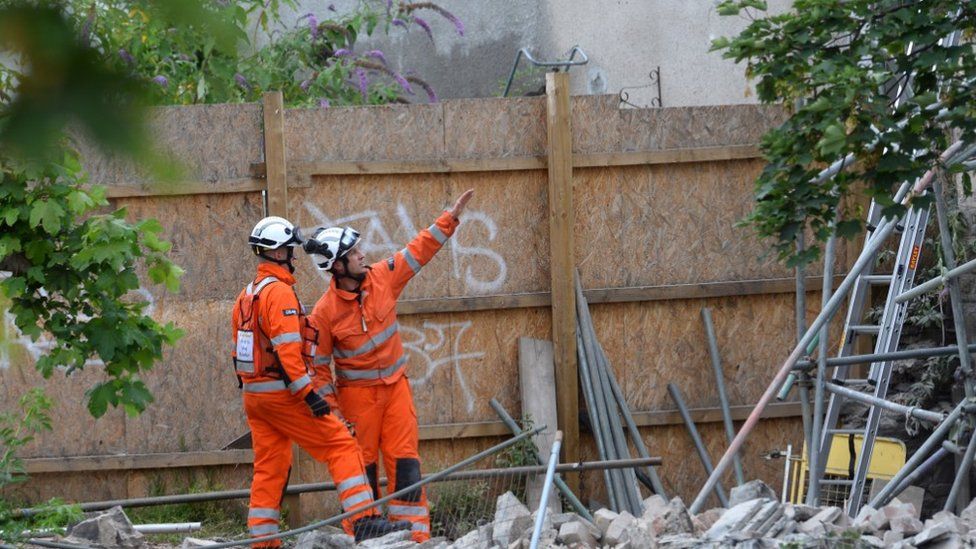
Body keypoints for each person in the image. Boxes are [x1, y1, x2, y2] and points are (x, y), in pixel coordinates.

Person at [302, 190, 474, 542]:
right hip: (357, 402)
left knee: (406, 465)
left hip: (396, 391)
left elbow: (419, 250)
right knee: (359, 470)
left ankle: (414, 537)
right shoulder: (323, 314)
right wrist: (334, 416)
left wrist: (450, 217)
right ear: (337, 265)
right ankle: (363, 535)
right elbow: (318, 371)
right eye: (353, 253)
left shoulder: (383, 277)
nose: (363, 254)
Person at [231, 216, 410, 546]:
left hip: (255, 399)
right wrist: (311, 397)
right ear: (278, 253)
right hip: (282, 395)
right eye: (289, 249)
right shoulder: (280, 294)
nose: (293, 255)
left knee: (271, 466)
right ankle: (365, 520)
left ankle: (264, 541)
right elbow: (288, 356)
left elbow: (243, 352)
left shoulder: (247, 295)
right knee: (341, 443)